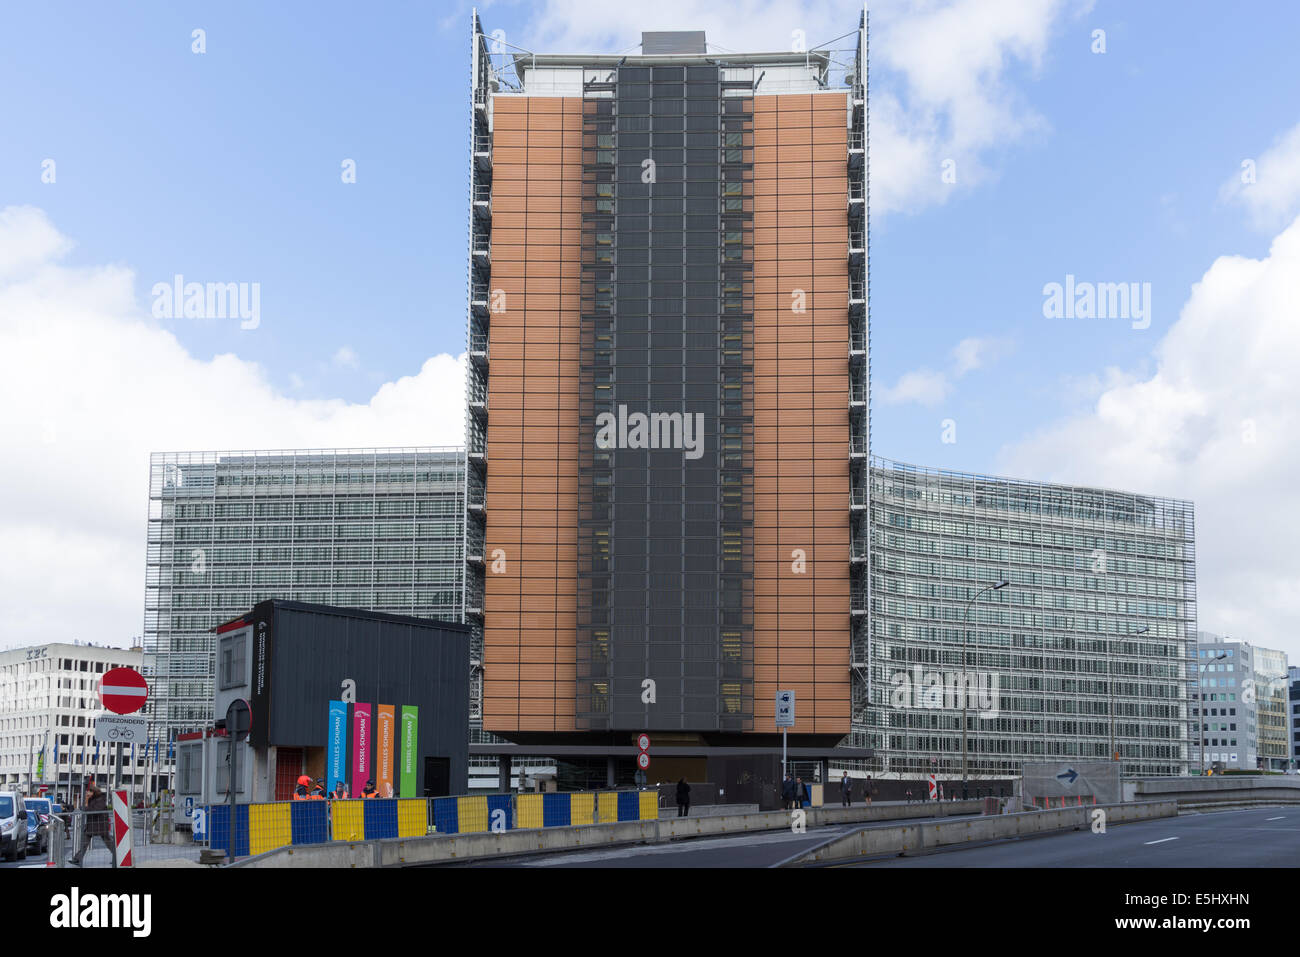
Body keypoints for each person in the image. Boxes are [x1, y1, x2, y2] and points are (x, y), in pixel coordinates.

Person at [70, 779, 114, 868]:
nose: (87, 793)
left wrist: (86, 803)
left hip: (100, 824)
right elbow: (83, 809)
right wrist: (86, 801)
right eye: (86, 791)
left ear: (94, 791)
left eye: (89, 791)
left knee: (108, 842)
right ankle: (77, 859)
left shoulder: (101, 799)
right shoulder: (91, 799)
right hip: (92, 824)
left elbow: (93, 810)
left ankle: (118, 857)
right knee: (85, 842)